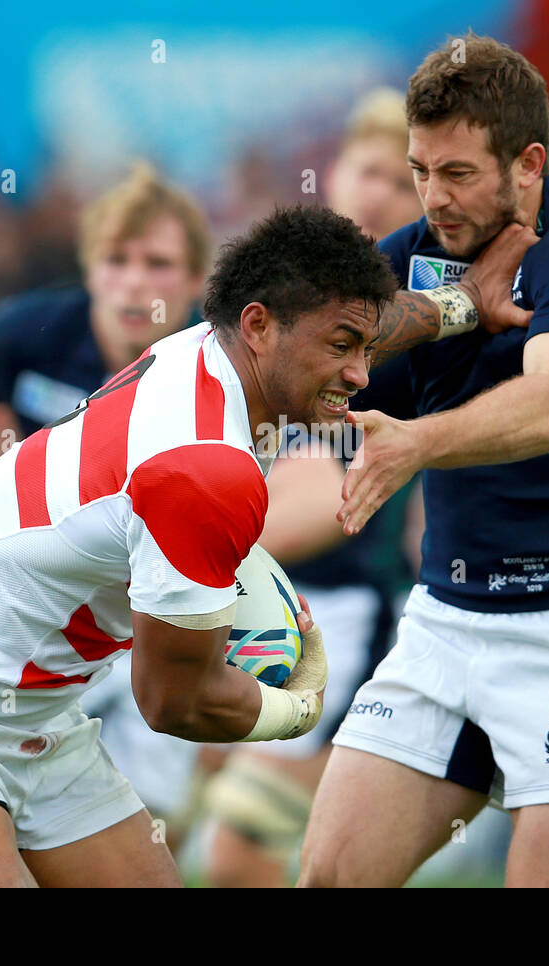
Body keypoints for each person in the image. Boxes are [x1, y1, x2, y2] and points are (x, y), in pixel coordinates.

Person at [0, 205, 410, 887]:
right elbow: (172, 701)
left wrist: (465, 302)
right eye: (342, 344)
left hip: (33, 715)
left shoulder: (206, 349)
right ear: (260, 325)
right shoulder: (206, 465)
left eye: (366, 347)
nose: (359, 373)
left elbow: (370, 322)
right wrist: (297, 706)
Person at [297, 32, 549, 888]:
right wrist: (455, 306)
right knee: (326, 880)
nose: (433, 196)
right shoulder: (408, 256)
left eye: (457, 173)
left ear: (527, 164)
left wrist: (415, 443)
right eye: (421, 170)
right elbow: (304, 373)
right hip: (443, 625)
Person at [0, 163, 215, 838]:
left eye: (160, 264)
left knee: (142, 835)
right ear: (89, 269)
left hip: (154, 625)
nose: (135, 281)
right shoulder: (35, 334)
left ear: (197, 281)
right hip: (34, 623)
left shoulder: (216, 365)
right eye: (117, 260)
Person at [202, 88, 425, 887]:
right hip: (238, 595)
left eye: (403, 185)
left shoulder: (394, 338)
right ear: (331, 179)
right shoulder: (275, 312)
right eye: (367, 171)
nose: (378, 195)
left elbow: (326, 491)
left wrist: (184, 554)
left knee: (244, 849)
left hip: (329, 609)